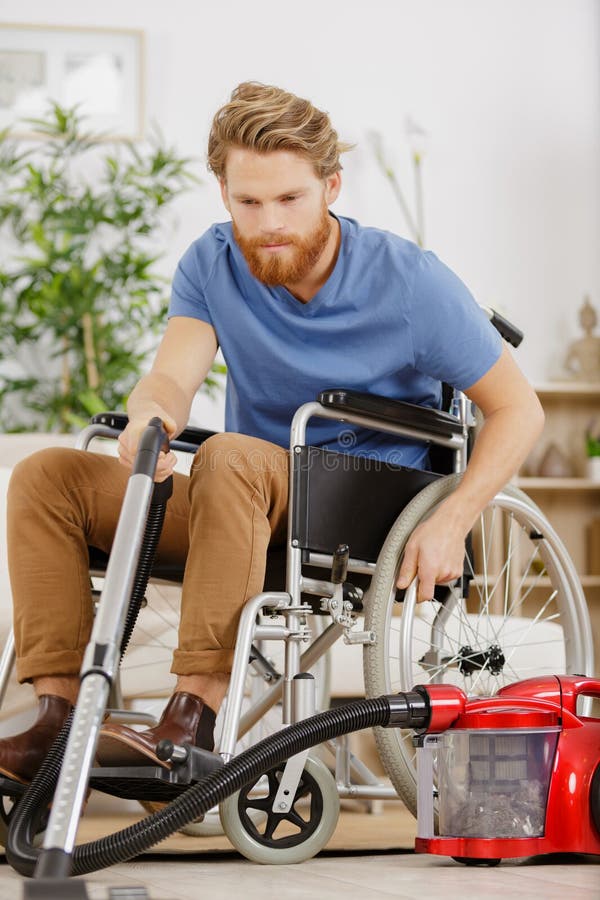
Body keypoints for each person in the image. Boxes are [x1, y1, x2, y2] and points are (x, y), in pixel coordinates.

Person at [2, 82, 544, 780]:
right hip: (247, 501)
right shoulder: (213, 262)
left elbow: (518, 408)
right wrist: (150, 414)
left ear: (331, 187)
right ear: (224, 194)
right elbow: (173, 375)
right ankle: (59, 719)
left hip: (358, 515)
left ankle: (193, 718)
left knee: (232, 458)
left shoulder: (410, 284)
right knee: (50, 478)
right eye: (248, 202)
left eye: (289, 199)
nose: (269, 223)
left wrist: (452, 517)